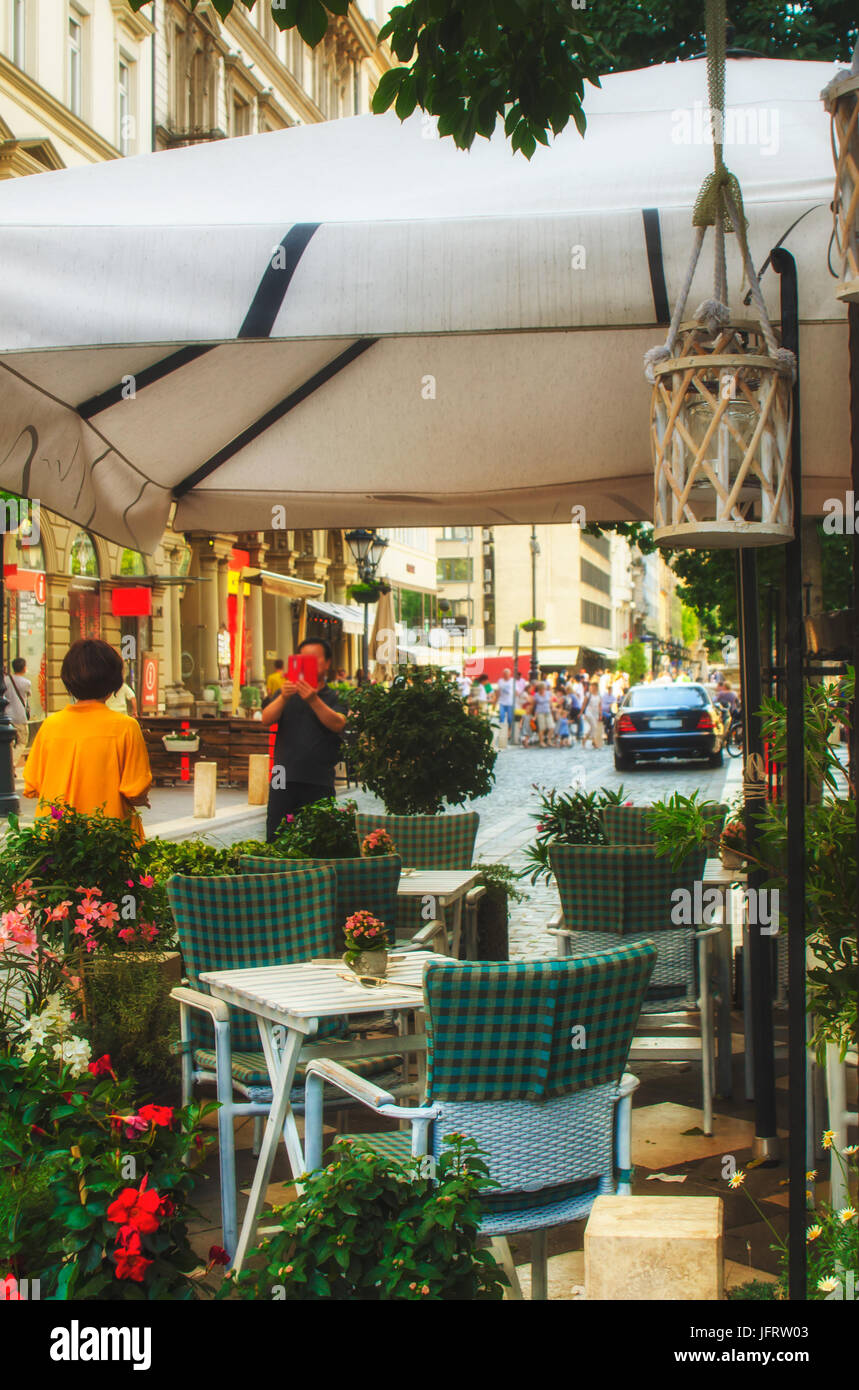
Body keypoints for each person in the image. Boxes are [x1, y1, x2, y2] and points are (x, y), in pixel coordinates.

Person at [23, 639, 152, 840]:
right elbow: (135, 790)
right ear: (114, 681)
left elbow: (32, 784)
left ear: (68, 680)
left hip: (53, 843)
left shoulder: (50, 726)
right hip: (109, 844)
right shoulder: (126, 727)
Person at [260, 637, 347, 843]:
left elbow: (338, 723)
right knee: (276, 833)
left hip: (318, 777)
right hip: (281, 774)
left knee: (318, 839)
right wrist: (283, 697)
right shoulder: (286, 692)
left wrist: (313, 700)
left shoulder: (334, 696)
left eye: (314, 659)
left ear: (326, 663)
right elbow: (266, 719)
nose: (308, 663)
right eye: (303, 659)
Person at [4, 656, 31, 771]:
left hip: (6, 715)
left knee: (9, 742)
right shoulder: (26, 683)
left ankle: (8, 763)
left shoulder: (6, 680)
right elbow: (28, 695)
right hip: (19, 716)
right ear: (24, 668)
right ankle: (11, 765)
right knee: (22, 741)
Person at [581, 681, 604, 749]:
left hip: (595, 712)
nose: (593, 688)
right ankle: (594, 742)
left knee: (593, 728)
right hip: (589, 712)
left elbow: (600, 705)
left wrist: (600, 714)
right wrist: (581, 712)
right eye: (592, 687)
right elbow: (584, 704)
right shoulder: (588, 694)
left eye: (594, 687)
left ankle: (585, 739)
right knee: (594, 726)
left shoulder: (599, 695)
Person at [494, 667, 515, 736]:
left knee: (509, 718)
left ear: (509, 674)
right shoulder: (500, 681)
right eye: (504, 674)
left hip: (510, 702)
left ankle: (509, 731)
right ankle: (502, 732)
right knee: (501, 717)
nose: (505, 675)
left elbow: (516, 691)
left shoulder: (512, 680)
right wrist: (495, 700)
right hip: (502, 702)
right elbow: (498, 691)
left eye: (507, 674)